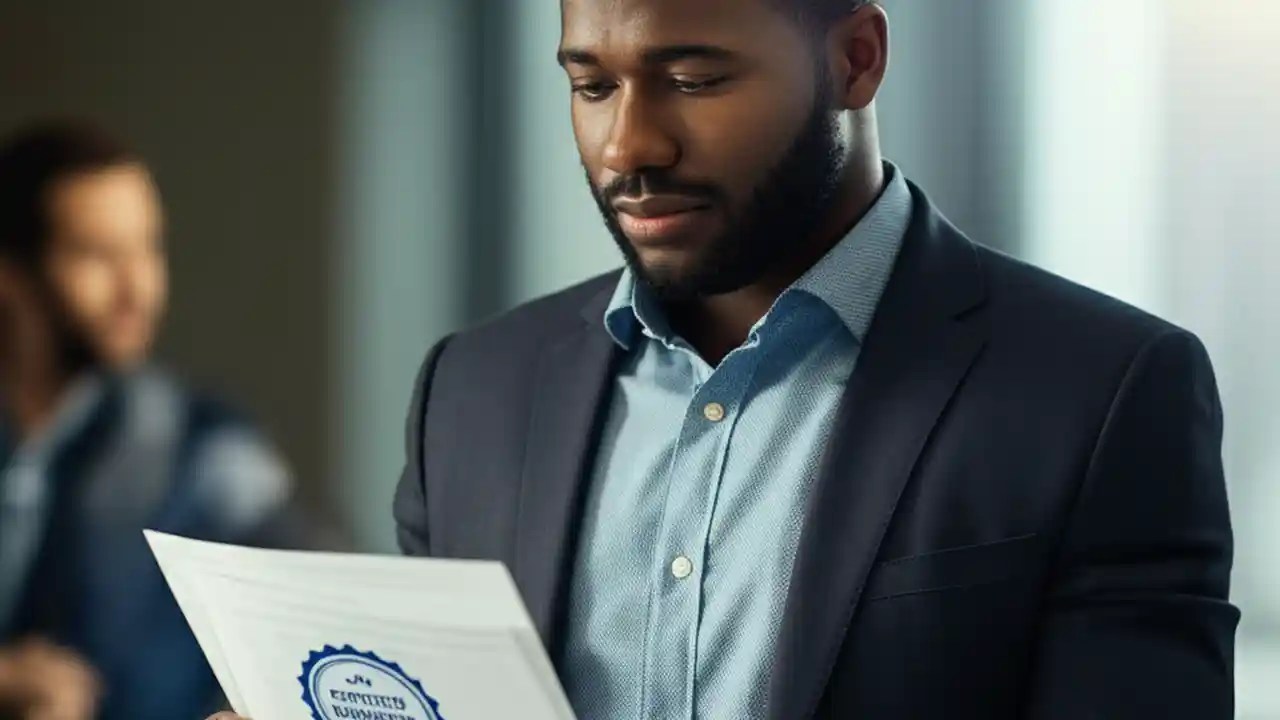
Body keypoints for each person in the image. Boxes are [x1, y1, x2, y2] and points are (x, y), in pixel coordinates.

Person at [221, 0, 1236, 718]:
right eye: (590, 84)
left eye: (692, 78)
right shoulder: (473, 391)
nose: (629, 145)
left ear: (855, 59)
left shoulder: (1099, 392)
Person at [0, 121, 309, 720]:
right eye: (96, 254)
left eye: (149, 247)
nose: (138, 286)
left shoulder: (206, 449)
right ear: (11, 274)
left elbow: (321, 593)